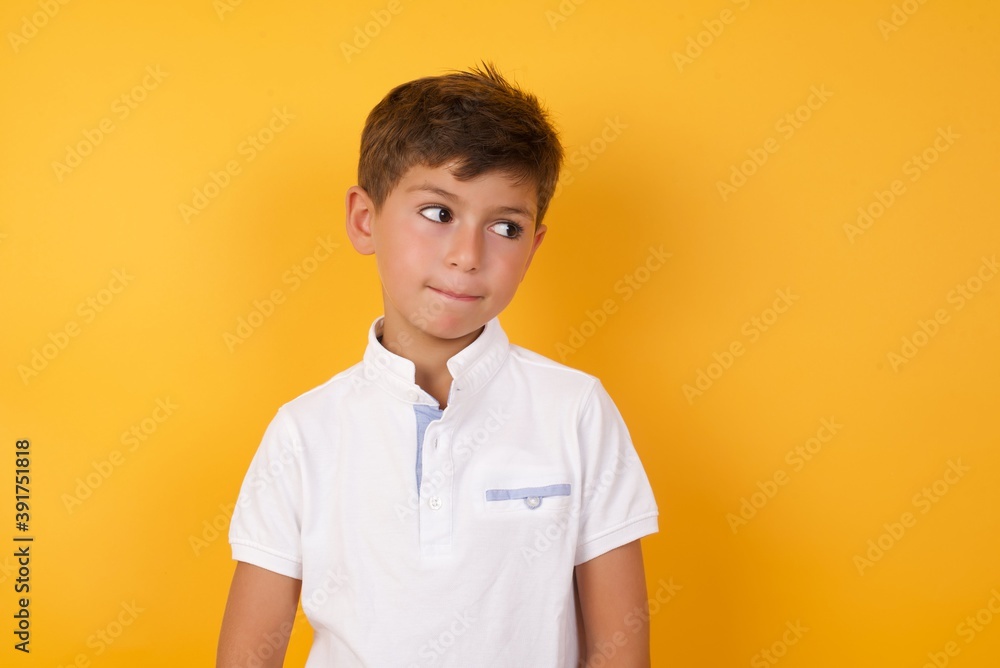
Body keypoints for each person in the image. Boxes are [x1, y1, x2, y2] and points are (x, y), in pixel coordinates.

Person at [217, 62, 659, 667]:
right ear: (364, 219)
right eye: (438, 213)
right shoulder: (304, 432)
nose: (466, 256)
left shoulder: (575, 411)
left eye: (505, 226)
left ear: (533, 247)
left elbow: (620, 653)